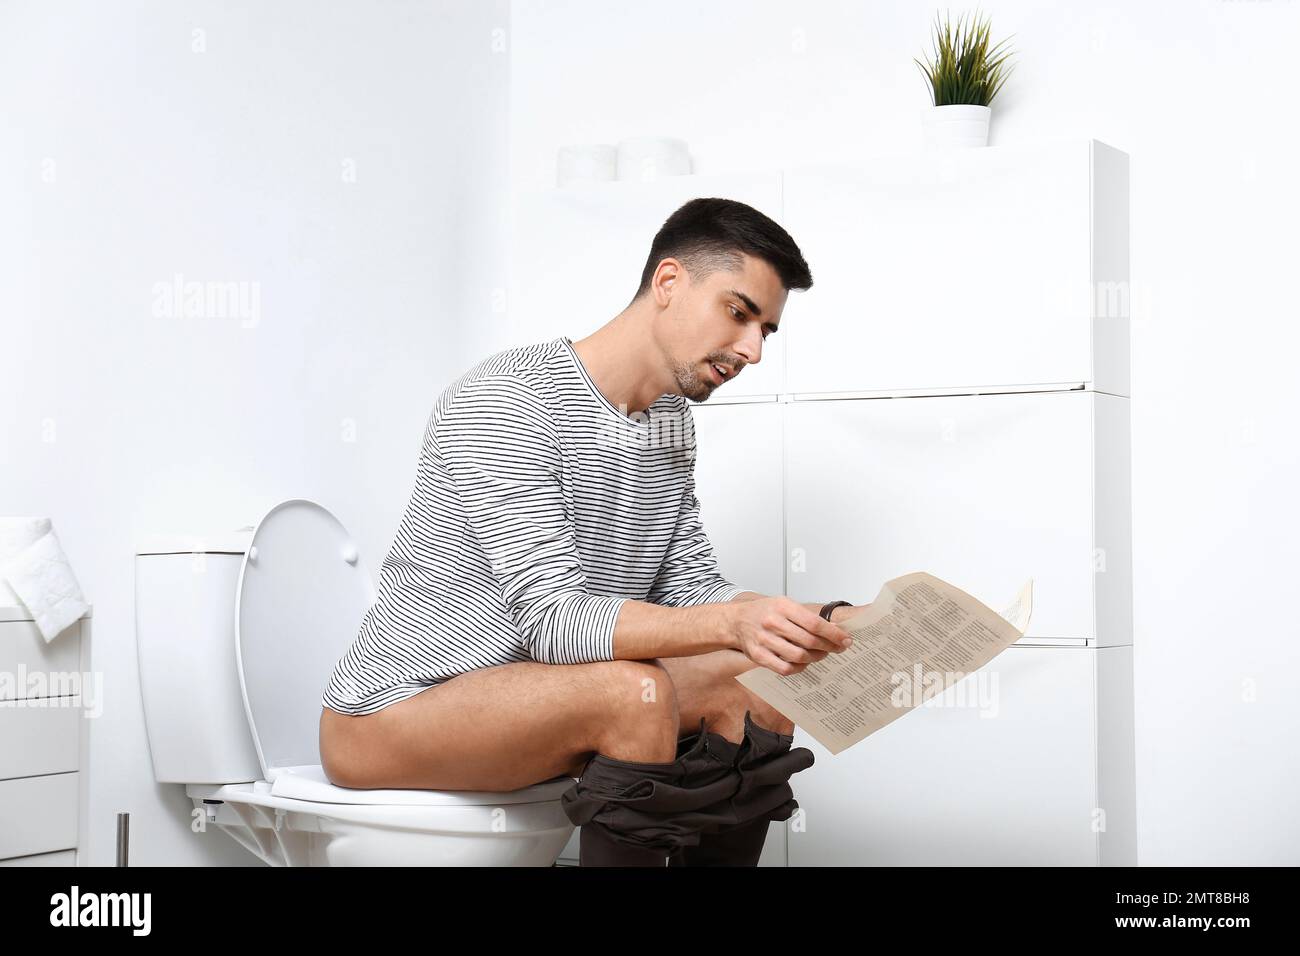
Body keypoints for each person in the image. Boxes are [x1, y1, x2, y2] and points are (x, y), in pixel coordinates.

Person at [318, 197, 865, 864]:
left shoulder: (670, 422)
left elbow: (691, 587)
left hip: (537, 693)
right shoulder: (507, 399)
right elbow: (555, 623)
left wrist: (828, 620)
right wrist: (732, 627)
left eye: (766, 331)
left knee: (759, 678)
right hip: (392, 713)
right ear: (669, 283)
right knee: (632, 692)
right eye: (738, 312)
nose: (752, 350)